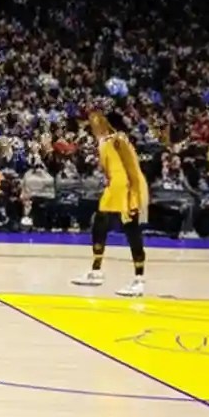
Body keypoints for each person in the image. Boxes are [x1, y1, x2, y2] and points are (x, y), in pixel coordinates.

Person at [72, 110, 149, 297]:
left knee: (132, 230)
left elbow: (133, 168)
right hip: (113, 188)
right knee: (99, 225)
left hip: (127, 189)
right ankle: (96, 271)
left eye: (96, 123)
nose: (93, 127)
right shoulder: (104, 143)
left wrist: (136, 195)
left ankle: (139, 279)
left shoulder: (118, 140)